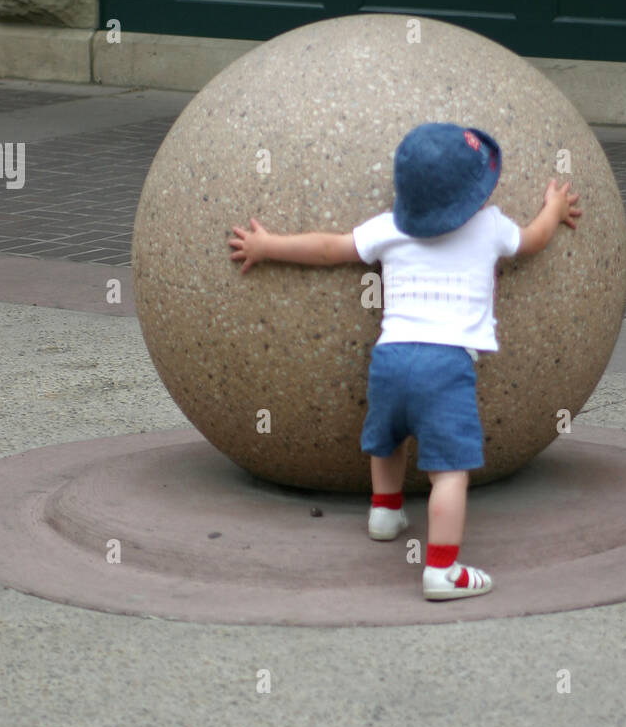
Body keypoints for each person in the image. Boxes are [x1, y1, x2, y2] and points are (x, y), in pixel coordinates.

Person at [227, 122, 582, 602]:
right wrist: (553, 210)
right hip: (447, 366)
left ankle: (384, 511)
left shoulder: (389, 227)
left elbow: (330, 249)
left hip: (390, 357)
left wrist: (269, 247)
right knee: (449, 471)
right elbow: (534, 239)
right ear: (473, 195)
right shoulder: (491, 225)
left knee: (388, 438)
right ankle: (442, 570)